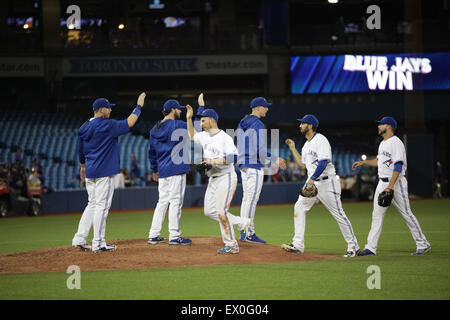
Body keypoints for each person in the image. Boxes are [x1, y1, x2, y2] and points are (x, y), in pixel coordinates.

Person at [71, 92, 146, 252]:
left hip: (90, 171)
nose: (110, 110)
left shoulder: (84, 126)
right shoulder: (107, 125)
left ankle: (79, 238)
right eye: (108, 108)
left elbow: (80, 149)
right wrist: (139, 106)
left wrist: (83, 166)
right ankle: (98, 243)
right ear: (101, 109)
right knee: (101, 207)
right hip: (104, 171)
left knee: (92, 204)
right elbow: (130, 122)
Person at [282, 114, 360, 257]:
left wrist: (311, 179)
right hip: (313, 182)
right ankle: (298, 244)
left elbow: (323, 163)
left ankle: (353, 246)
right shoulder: (306, 145)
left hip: (327, 182)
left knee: (338, 214)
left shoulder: (321, 140)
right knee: (299, 206)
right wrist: (293, 148)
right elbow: (303, 165)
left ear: (310, 126)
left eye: (303, 123)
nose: (300, 125)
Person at [352, 116, 431, 256]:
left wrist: (391, 186)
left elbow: (398, 165)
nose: (378, 126)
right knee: (377, 215)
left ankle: (423, 244)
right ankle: (371, 247)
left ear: (388, 126)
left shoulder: (396, 142)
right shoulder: (383, 143)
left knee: (406, 213)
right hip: (382, 182)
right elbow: (379, 161)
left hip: (396, 182)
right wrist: (363, 163)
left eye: (380, 124)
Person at [186, 102, 250, 254]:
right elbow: (193, 136)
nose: (201, 123)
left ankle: (232, 245)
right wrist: (189, 119)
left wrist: (212, 162)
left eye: (203, 120)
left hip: (226, 177)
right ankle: (241, 222)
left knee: (221, 211)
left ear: (212, 120)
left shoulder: (224, 137)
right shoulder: (204, 136)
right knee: (209, 211)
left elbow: (233, 157)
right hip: (213, 179)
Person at [236, 97, 287, 244]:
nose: (267, 109)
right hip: (254, 165)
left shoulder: (242, 122)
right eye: (265, 106)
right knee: (251, 200)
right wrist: (276, 159)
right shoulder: (258, 124)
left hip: (243, 165)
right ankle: (249, 233)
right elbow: (261, 151)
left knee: (246, 200)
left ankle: (244, 231)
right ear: (258, 107)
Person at [147, 99, 192, 246]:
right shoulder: (177, 125)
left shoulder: (154, 128)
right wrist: (192, 115)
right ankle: (174, 235)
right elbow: (196, 130)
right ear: (173, 110)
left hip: (163, 170)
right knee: (175, 203)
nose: (180, 111)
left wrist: (154, 169)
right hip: (176, 169)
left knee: (162, 202)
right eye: (178, 109)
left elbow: (151, 152)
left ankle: (153, 235)